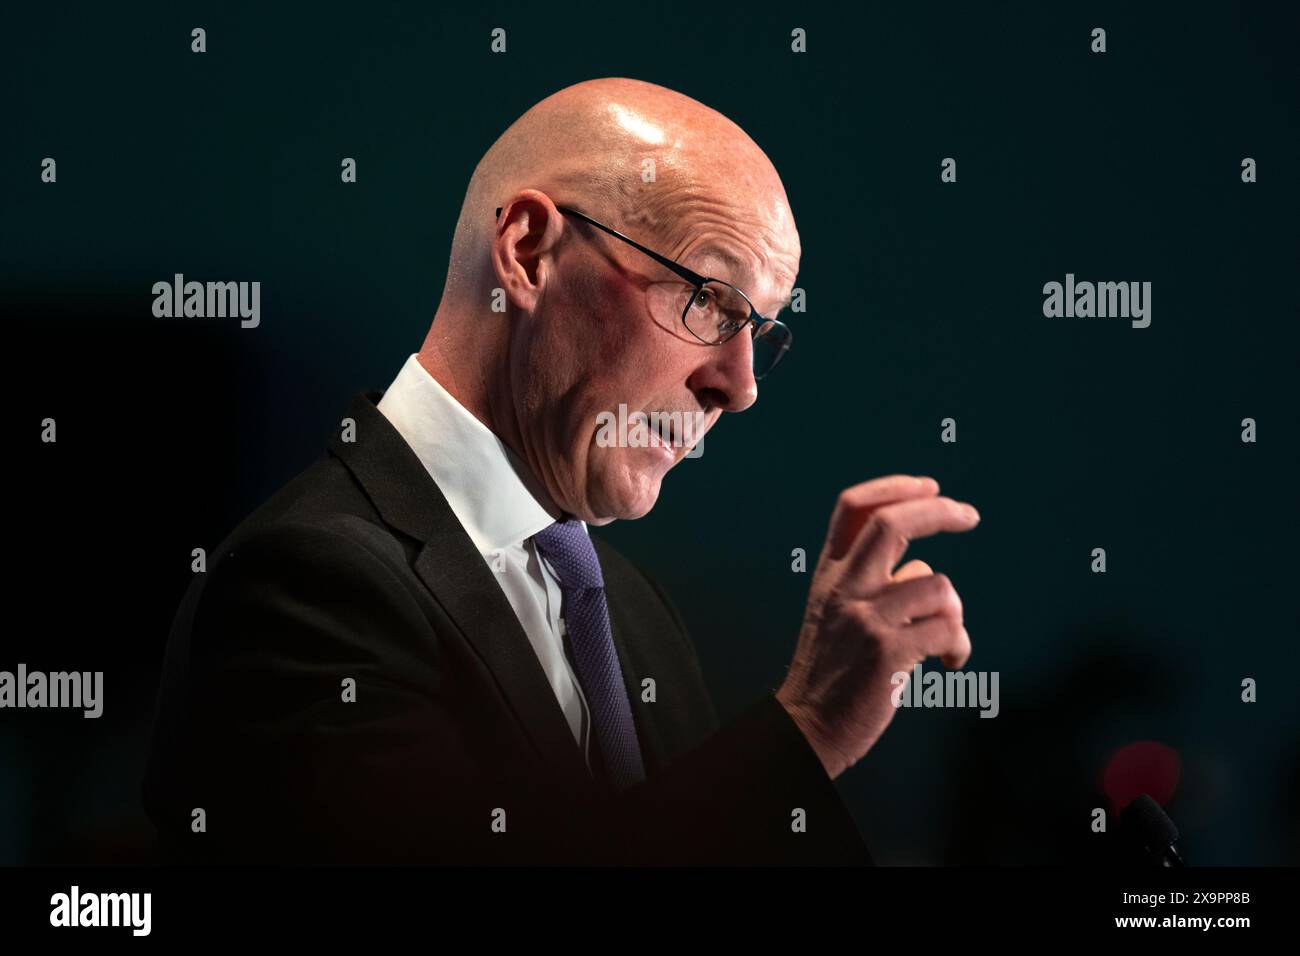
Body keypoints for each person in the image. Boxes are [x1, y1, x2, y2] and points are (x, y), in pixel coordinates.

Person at [142, 77, 981, 865]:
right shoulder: (302, 586)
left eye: (758, 332)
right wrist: (806, 729)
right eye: (709, 301)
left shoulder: (635, 617)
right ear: (530, 252)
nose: (739, 385)